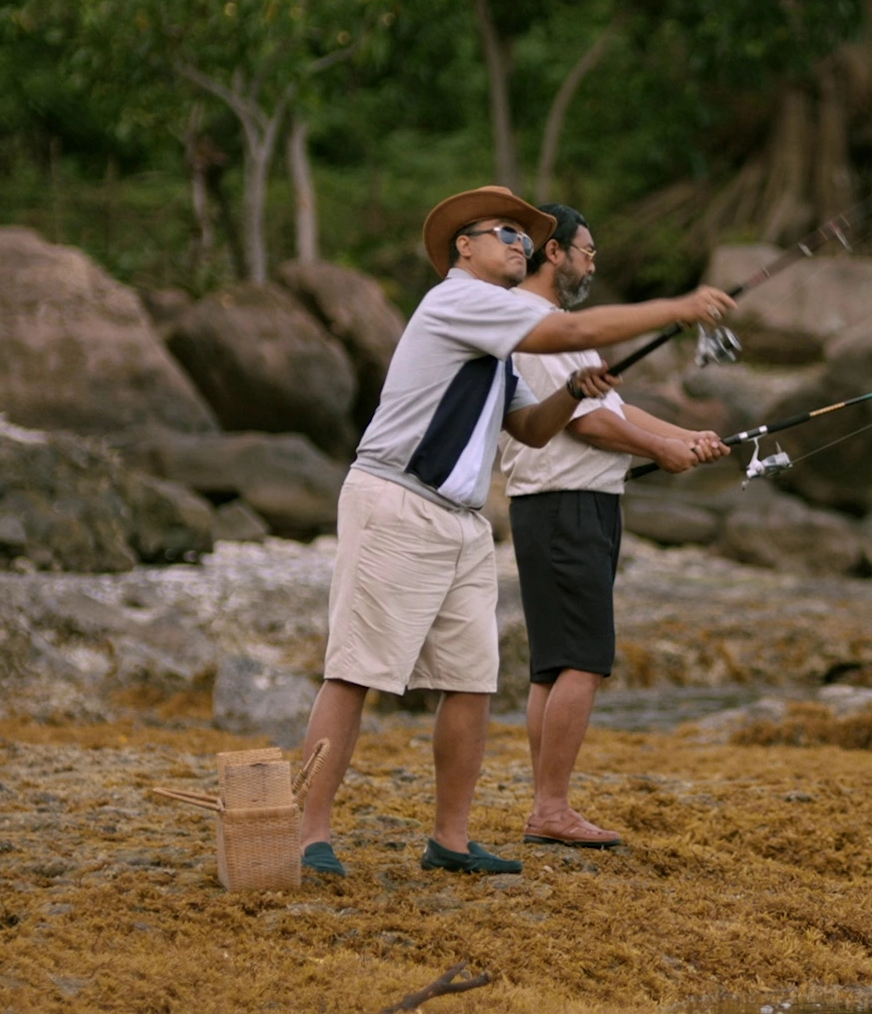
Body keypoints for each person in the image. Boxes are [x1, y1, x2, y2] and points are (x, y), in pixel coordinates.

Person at [297, 185, 736, 877]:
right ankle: (307, 834)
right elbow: (564, 332)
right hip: (397, 500)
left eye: (522, 235)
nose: (517, 243)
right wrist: (679, 307)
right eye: (502, 231)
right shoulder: (457, 300)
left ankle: (451, 838)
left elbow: (530, 428)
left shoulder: (494, 343)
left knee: (470, 682)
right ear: (462, 247)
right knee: (355, 672)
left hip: (466, 522)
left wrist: (572, 392)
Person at [497, 204, 730, 849]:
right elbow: (589, 425)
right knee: (584, 661)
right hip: (566, 505)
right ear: (555, 253)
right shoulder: (539, 324)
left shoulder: (559, 328)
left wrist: (688, 438)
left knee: (554, 665)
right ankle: (550, 809)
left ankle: (548, 803)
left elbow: (614, 407)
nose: (593, 262)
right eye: (587, 251)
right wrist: (659, 453)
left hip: (562, 507)